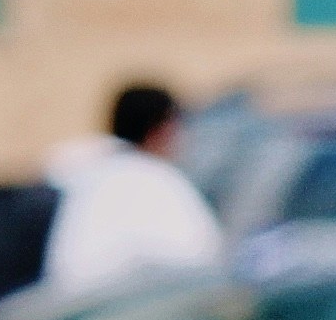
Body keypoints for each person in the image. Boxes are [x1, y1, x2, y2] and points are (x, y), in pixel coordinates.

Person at [38, 82, 223, 297]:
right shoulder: (156, 178)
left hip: (62, 307)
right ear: (162, 131)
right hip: (123, 313)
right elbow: (203, 261)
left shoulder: (82, 169)